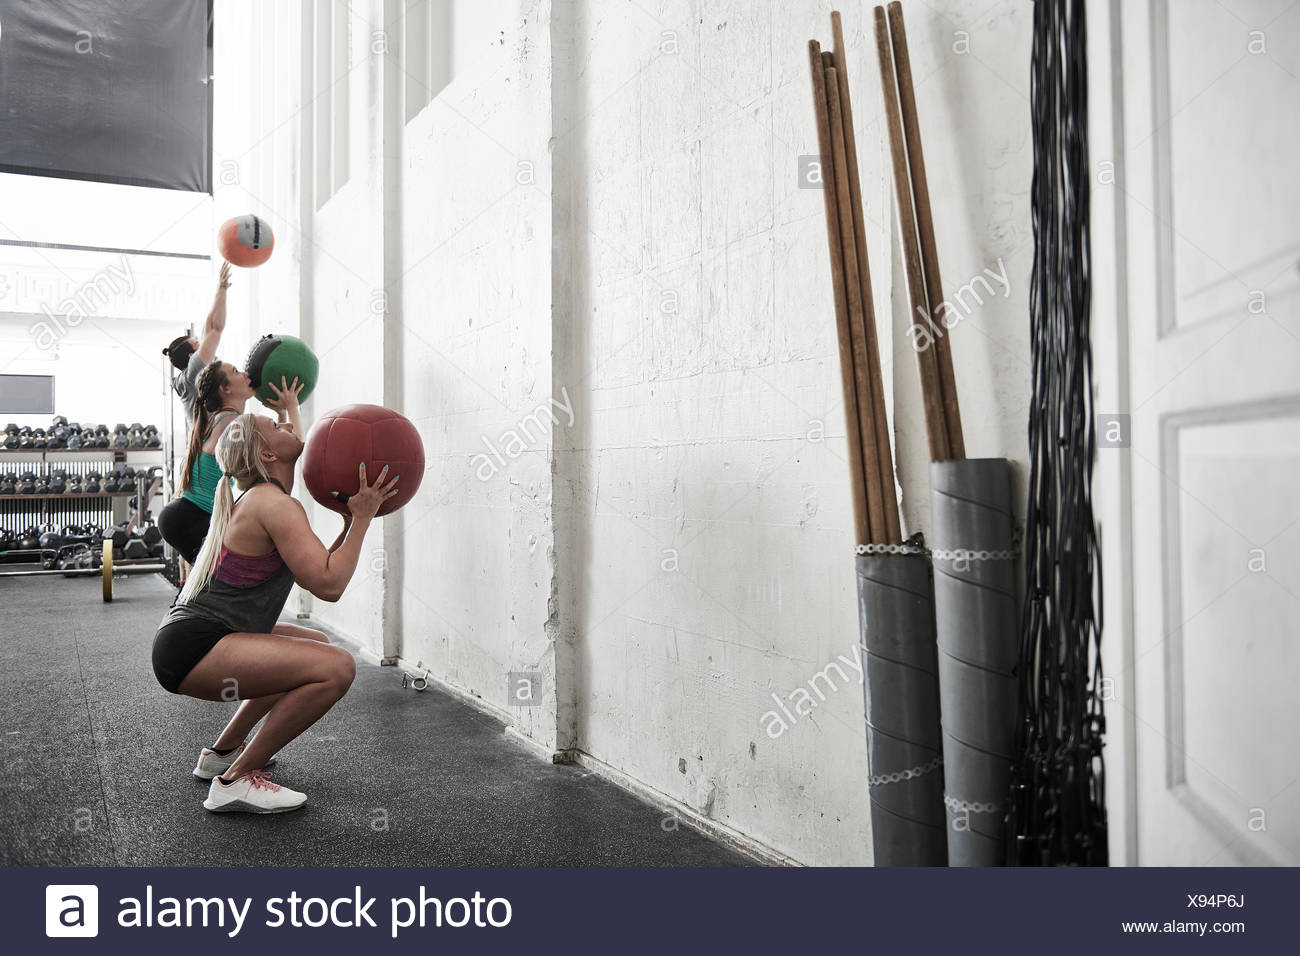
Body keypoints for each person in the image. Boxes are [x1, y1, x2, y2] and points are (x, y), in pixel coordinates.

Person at [151, 412, 399, 813]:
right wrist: (364, 521)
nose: (288, 426)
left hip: (188, 642)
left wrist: (351, 522)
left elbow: (316, 572)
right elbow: (330, 586)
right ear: (267, 453)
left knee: (315, 645)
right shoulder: (272, 502)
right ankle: (235, 780)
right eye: (275, 426)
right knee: (337, 667)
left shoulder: (259, 498)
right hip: (196, 648)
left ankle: (223, 751)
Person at [156, 358, 303, 564]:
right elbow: (292, 447)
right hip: (194, 518)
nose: (245, 374)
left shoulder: (222, 420)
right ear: (225, 389)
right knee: (220, 587)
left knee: (209, 588)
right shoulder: (233, 424)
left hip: (186, 517)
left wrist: (281, 413)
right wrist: (292, 406)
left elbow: (276, 450)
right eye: (236, 372)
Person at [164, 263, 233, 423]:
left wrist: (220, 289)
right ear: (192, 355)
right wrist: (222, 289)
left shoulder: (188, 376)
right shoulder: (195, 371)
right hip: (209, 444)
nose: (202, 342)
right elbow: (214, 329)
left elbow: (209, 328)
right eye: (197, 343)